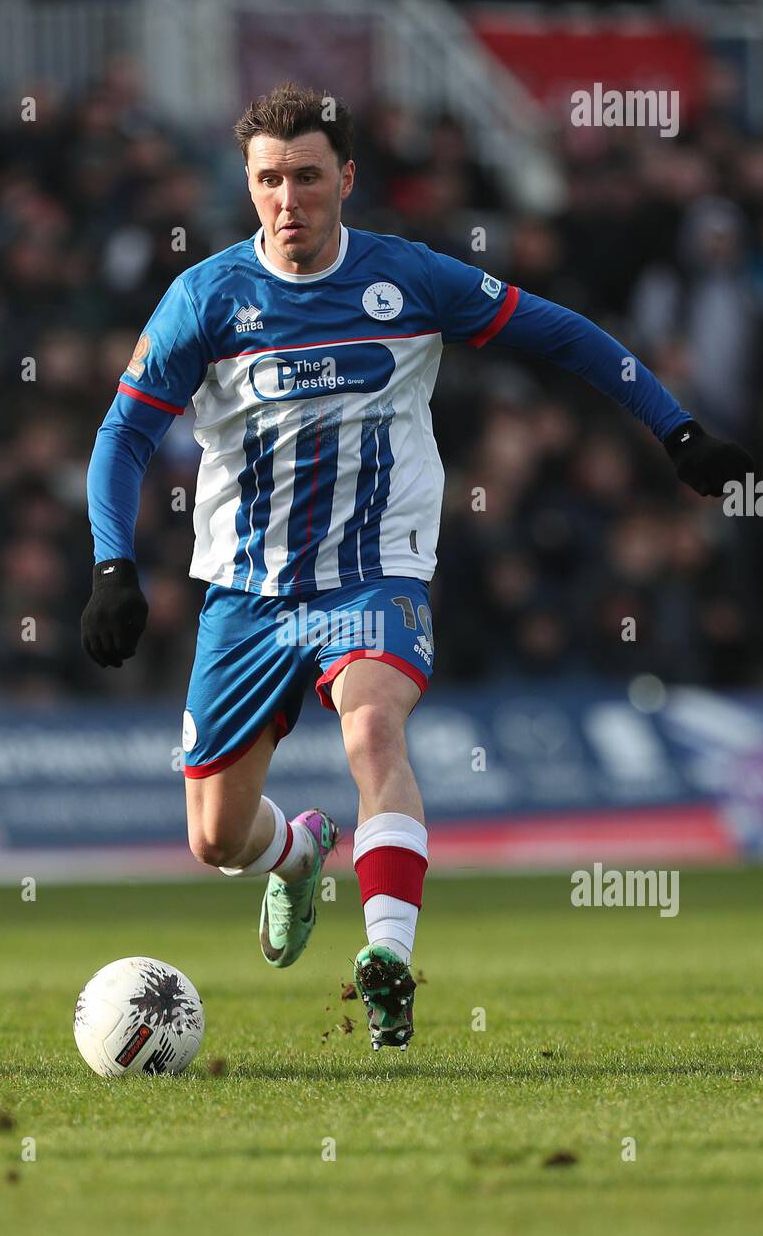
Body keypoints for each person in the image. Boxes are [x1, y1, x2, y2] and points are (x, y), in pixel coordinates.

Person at [81, 81, 753, 1052]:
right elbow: (121, 436)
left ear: (345, 178)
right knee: (215, 839)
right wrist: (112, 565)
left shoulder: (409, 281)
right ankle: (298, 850)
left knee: (372, 728)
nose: (286, 200)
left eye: (306, 177)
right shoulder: (207, 298)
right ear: (247, 183)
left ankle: (387, 955)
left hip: (373, 574)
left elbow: (560, 333)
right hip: (248, 591)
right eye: (267, 180)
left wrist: (675, 429)